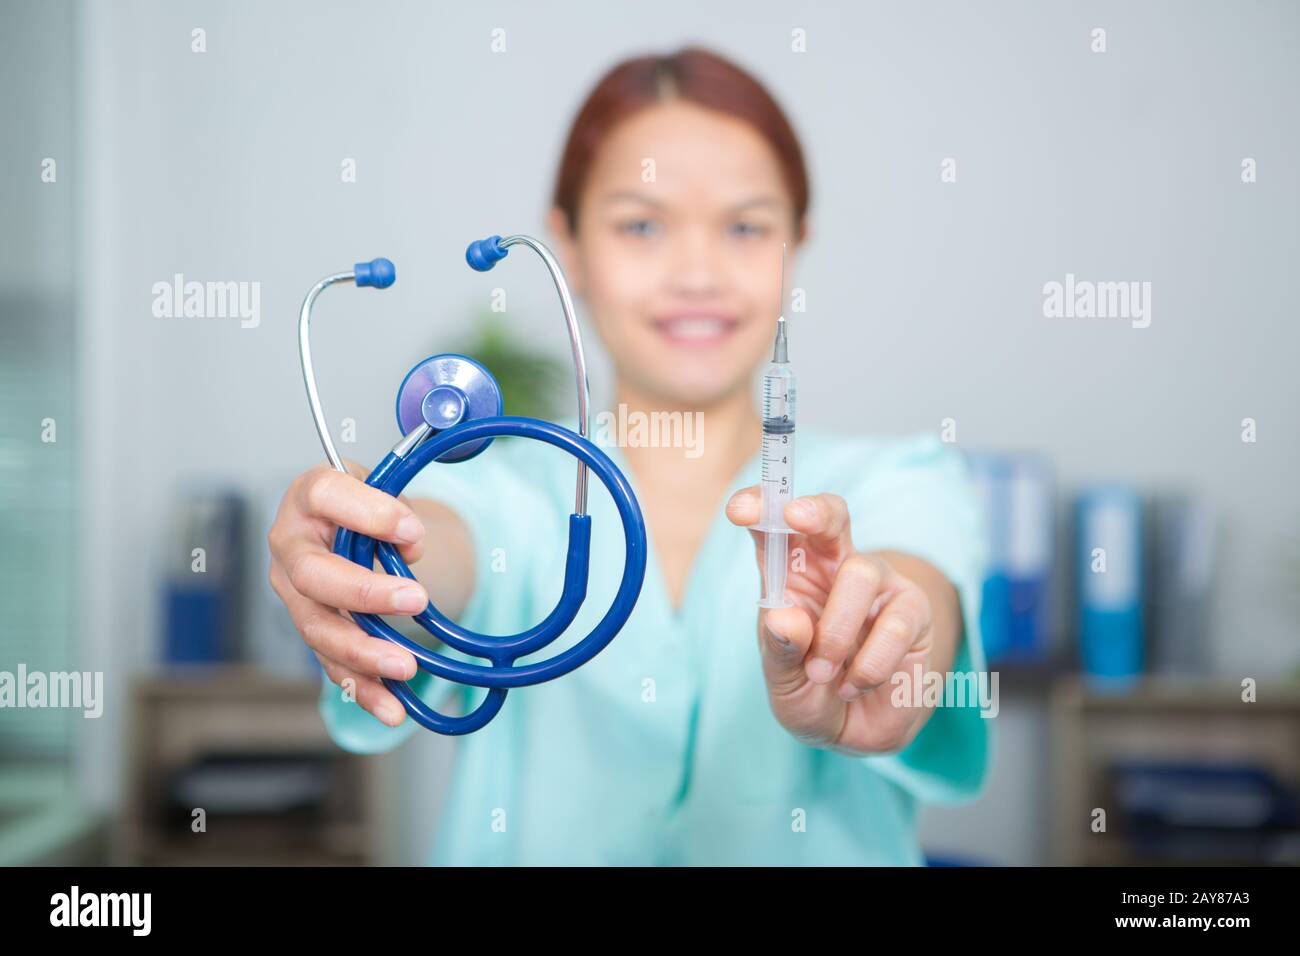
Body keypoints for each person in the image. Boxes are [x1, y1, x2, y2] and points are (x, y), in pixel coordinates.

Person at [267, 47, 990, 865]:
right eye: (641, 224)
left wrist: (883, 639)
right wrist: (360, 549)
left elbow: (912, 596)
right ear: (567, 245)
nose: (696, 272)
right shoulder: (503, 489)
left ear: (798, 243)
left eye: (747, 226)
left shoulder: (900, 483)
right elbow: (436, 550)